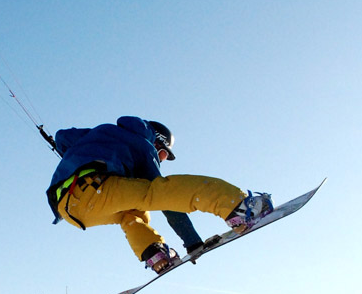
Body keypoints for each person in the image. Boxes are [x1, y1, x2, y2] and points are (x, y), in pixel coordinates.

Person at [46, 116, 273, 274]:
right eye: (163, 155)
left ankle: (154, 253)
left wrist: (76, 152)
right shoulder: (143, 145)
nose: (161, 160)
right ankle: (238, 207)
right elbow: (168, 201)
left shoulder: (103, 134)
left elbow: (62, 137)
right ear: (158, 143)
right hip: (95, 186)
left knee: (132, 214)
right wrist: (192, 242)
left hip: (69, 208)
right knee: (165, 190)